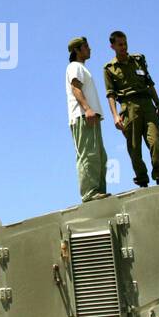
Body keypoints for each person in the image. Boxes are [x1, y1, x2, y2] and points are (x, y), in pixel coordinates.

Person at [103, 30, 159, 188]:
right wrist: (115, 115)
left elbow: (149, 83)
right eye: (120, 44)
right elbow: (110, 94)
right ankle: (143, 181)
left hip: (147, 105)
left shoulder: (139, 60)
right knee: (134, 148)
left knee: (157, 141)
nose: (124, 47)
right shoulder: (109, 68)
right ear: (112, 46)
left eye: (125, 43)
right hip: (128, 108)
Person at [66, 35, 108, 201]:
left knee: (99, 156)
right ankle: (90, 193)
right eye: (86, 46)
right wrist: (88, 108)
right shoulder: (74, 66)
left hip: (91, 117)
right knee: (88, 154)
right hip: (83, 116)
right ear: (77, 50)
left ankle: (99, 192)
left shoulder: (82, 68)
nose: (89, 49)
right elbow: (76, 88)